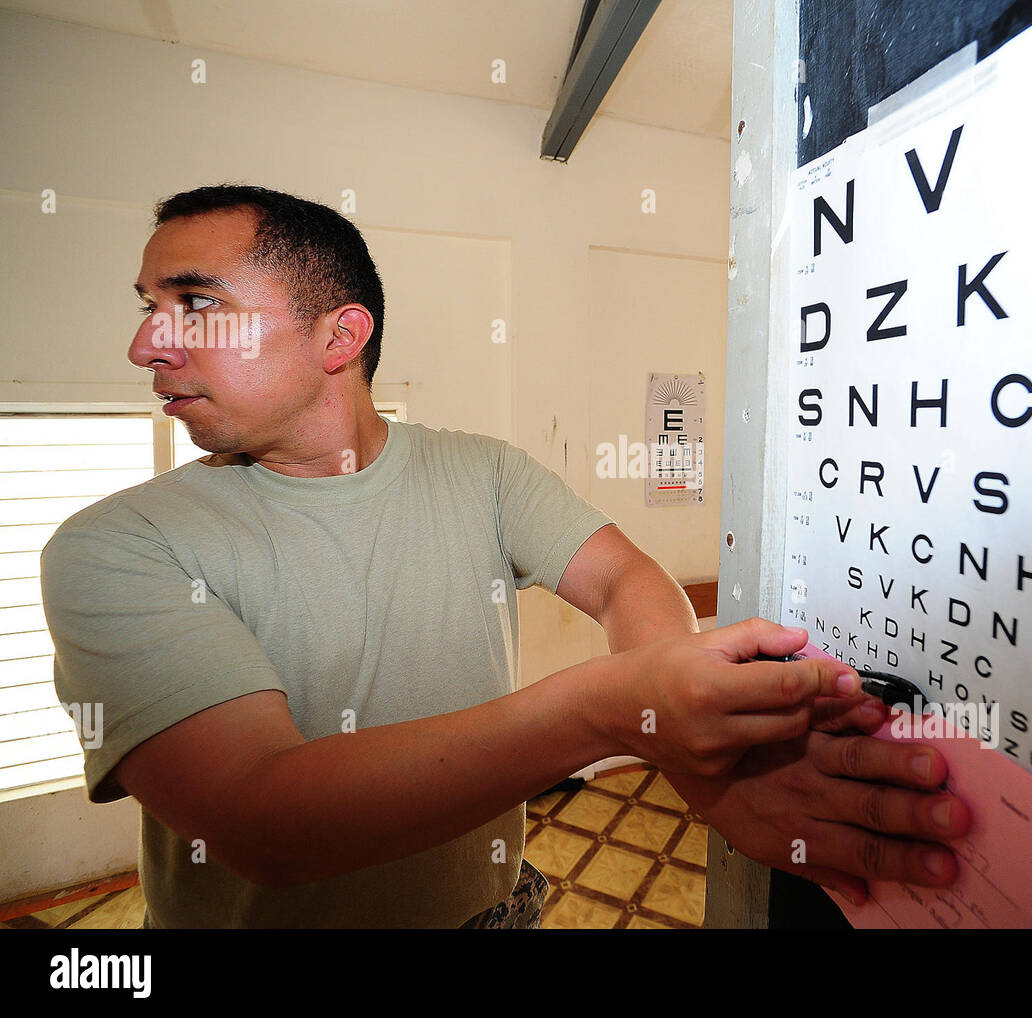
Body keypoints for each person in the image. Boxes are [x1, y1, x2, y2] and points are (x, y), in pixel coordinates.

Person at [39, 184, 970, 929]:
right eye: (149, 307)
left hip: (488, 905)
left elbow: (623, 578)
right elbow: (265, 819)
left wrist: (686, 733)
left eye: (194, 303)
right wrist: (629, 711)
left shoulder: (480, 470)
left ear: (338, 337)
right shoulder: (115, 545)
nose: (144, 345)